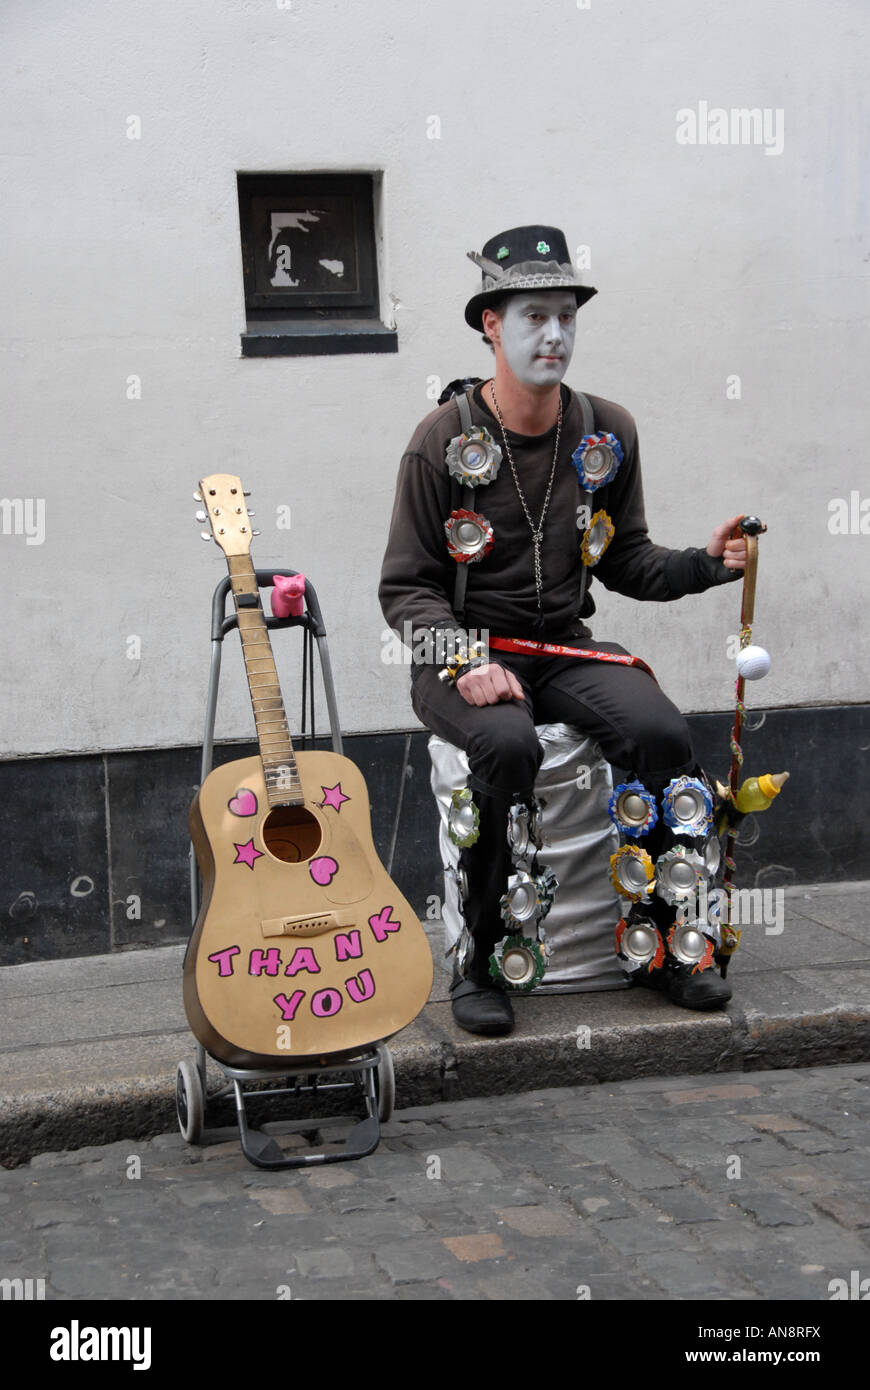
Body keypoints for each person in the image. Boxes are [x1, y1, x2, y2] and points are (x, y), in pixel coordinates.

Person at [379, 225, 747, 1036]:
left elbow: (629, 563)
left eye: (566, 316)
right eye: (533, 315)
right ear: (491, 325)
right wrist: (464, 658)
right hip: (464, 656)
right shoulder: (440, 441)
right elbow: (405, 589)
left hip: (563, 649)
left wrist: (708, 565)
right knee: (506, 746)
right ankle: (480, 965)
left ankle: (669, 946)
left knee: (658, 729)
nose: (553, 334)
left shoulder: (604, 430)